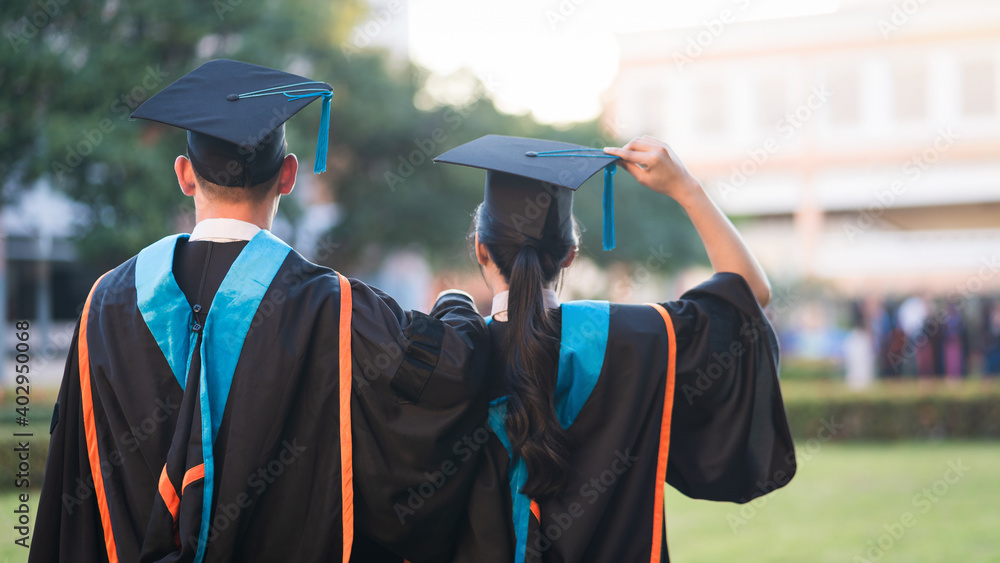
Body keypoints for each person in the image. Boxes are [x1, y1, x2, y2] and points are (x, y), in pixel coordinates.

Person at [29, 60, 489, 563]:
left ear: (184, 175)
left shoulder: (105, 304)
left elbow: (72, 494)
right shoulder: (332, 307)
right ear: (288, 175)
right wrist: (457, 304)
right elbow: (450, 375)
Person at [433, 134, 797, 562]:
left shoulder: (442, 358)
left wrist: (448, 305)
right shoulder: (641, 336)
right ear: (571, 254)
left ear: (480, 248)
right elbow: (747, 294)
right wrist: (685, 188)